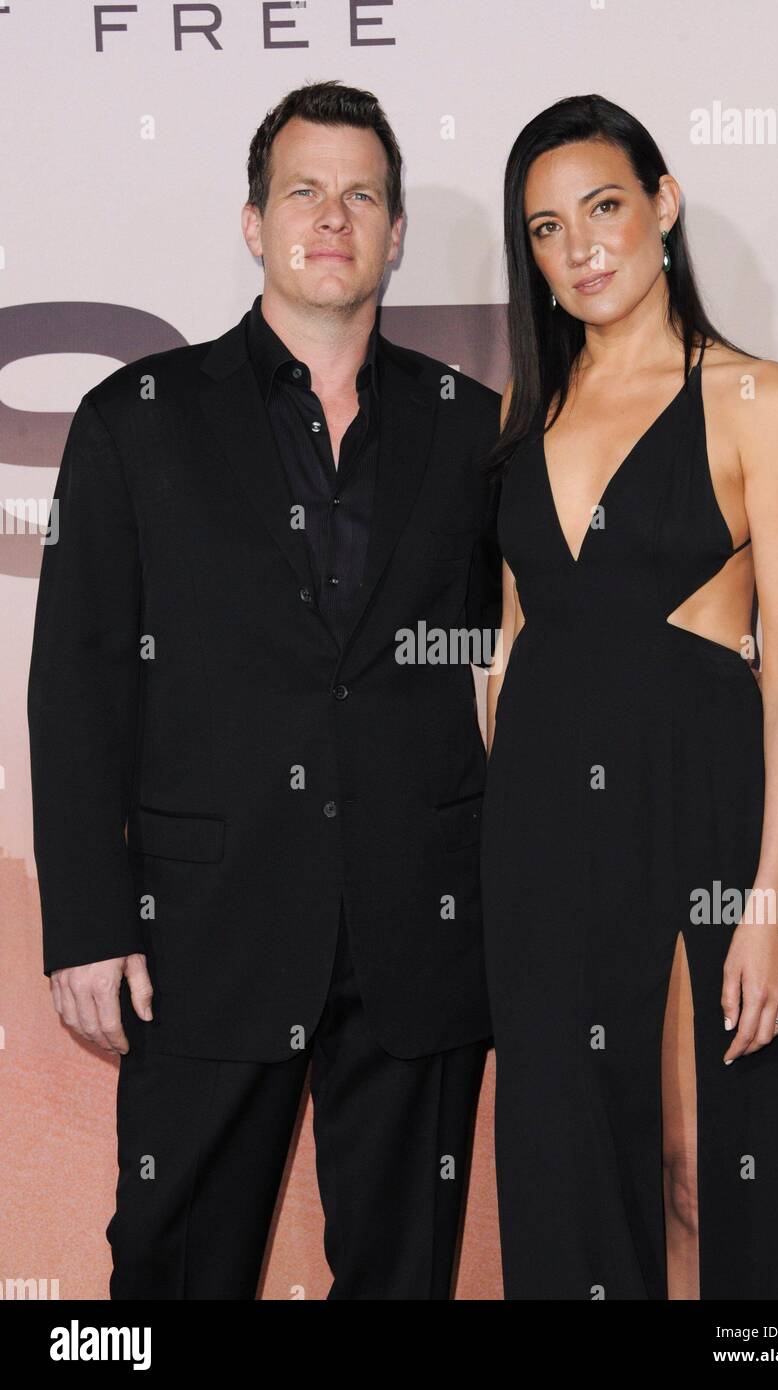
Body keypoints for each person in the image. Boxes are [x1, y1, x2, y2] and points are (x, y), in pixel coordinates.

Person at [28, 80, 501, 1300]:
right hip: (206, 929)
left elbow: (516, 668)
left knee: (403, 1280)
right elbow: (75, 680)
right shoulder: (135, 419)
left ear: (396, 233)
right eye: (304, 189)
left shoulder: (474, 431)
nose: (332, 216)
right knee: (170, 1275)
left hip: (422, 931)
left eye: (362, 194)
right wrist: (87, 918)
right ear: (254, 221)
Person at [481, 94, 778, 1300]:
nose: (579, 247)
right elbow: (512, 648)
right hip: (538, 849)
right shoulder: (525, 418)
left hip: (695, 821)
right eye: (544, 227)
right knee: (569, 1173)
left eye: (605, 207)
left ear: (664, 206)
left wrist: (769, 904)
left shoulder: (755, 400)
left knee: (699, 1167)